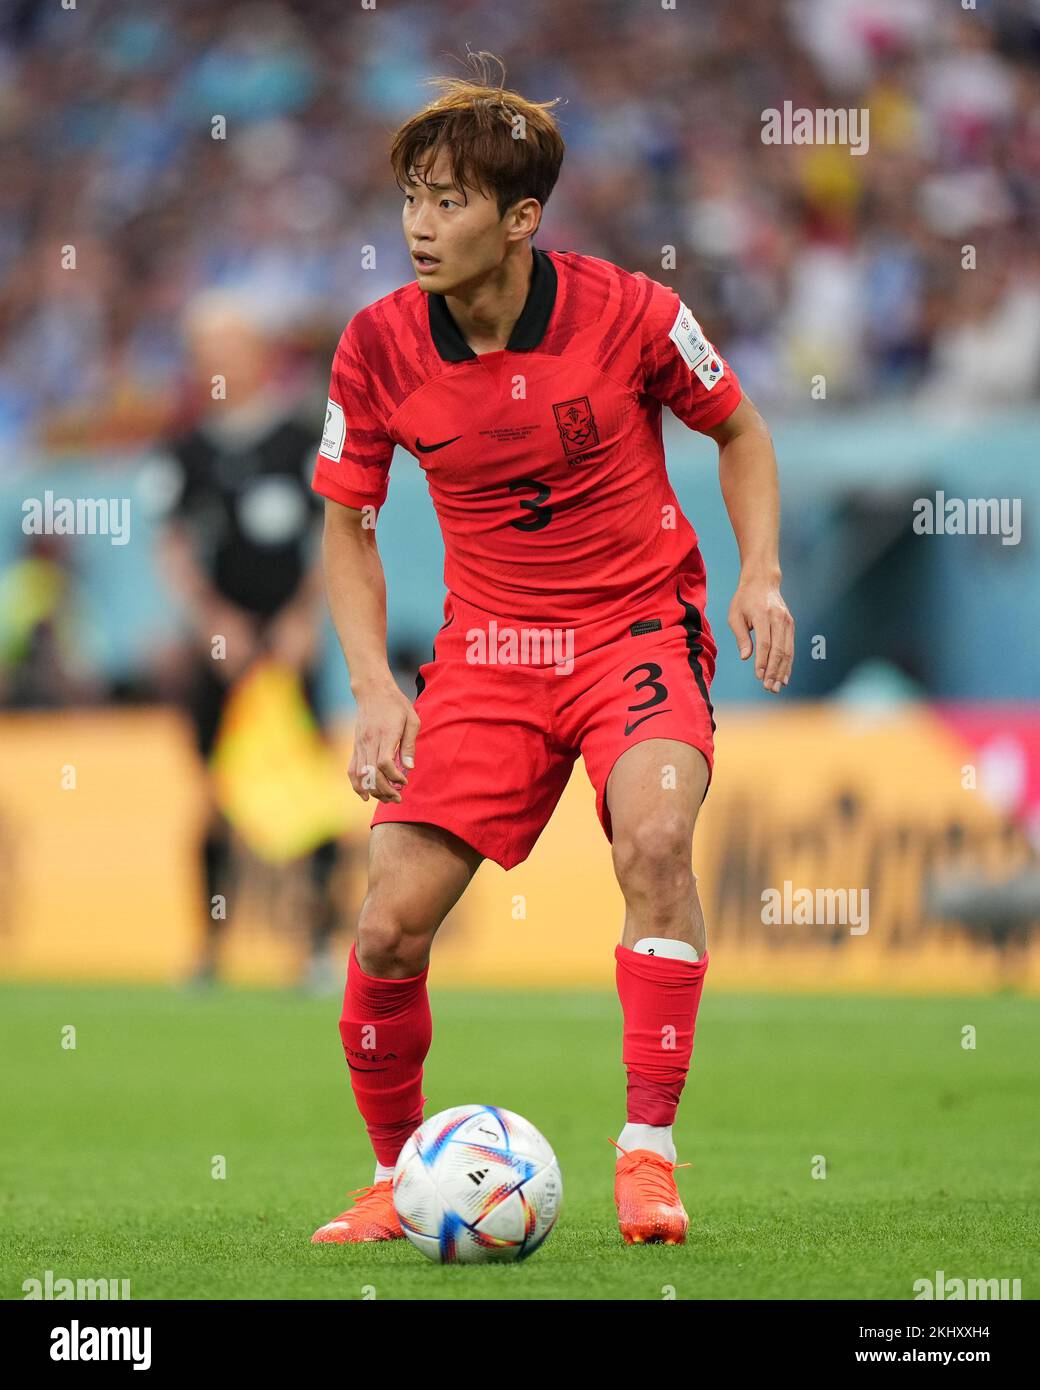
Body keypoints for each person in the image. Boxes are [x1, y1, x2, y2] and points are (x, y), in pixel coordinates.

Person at [311, 58, 794, 1246]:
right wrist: (375, 684)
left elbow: (737, 428)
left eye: (450, 202)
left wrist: (760, 570)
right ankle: (393, 1176)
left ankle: (646, 1157)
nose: (420, 226)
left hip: (634, 627)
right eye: (410, 198)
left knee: (657, 837)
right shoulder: (374, 348)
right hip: (485, 653)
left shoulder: (627, 312)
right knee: (386, 927)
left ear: (520, 218)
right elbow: (348, 523)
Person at [157, 290, 340, 991]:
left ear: (257, 355)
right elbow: (172, 544)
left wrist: (303, 618)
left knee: (310, 791)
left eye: (226, 349)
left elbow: (337, 530)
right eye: (204, 352)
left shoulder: (301, 438)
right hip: (222, 652)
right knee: (214, 794)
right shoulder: (188, 449)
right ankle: (210, 947)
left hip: (289, 646)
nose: (214, 364)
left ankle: (318, 942)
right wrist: (210, 621)